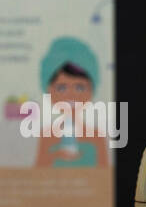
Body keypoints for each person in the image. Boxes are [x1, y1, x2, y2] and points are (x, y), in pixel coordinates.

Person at [34, 37, 107, 168]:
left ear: (91, 90)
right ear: (49, 90)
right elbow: (37, 174)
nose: (71, 94)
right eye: (62, 88)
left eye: (80, 87)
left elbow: (104, 172)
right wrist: (53, 157)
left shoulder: (96, 138)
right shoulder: (47, 137)